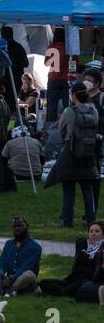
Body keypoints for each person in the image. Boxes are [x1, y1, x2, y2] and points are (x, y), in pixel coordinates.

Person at [54, 82, 101, 226]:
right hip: (89, 153)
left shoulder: (69, 111)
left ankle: (67, 221)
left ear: (74, 95)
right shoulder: (94, 110)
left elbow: (60, 130)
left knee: (69, 188)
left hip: (71, 151)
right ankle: (91, 220)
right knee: (87, 188)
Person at [40, 220, 104, 300]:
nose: (93, 234)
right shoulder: (83, 245)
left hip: (88, 283)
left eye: (97, 231)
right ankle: (68, 293)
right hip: (72, 281)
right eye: (90, 231)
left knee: (82, 287)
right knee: (44, 282)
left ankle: (62, 293)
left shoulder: (102, 250)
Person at [0, 215, 42, 295]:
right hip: (7, 279)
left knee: (29, 274)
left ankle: (4, 290)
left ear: (27, 226)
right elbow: (2, 263)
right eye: (14, 226)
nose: (17, 228)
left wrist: (11, 278)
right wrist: (0, 275)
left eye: (20, 226)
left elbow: (26, 267)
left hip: (24, 281)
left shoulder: (35, 247)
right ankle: (2, 289)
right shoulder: (8, 244)